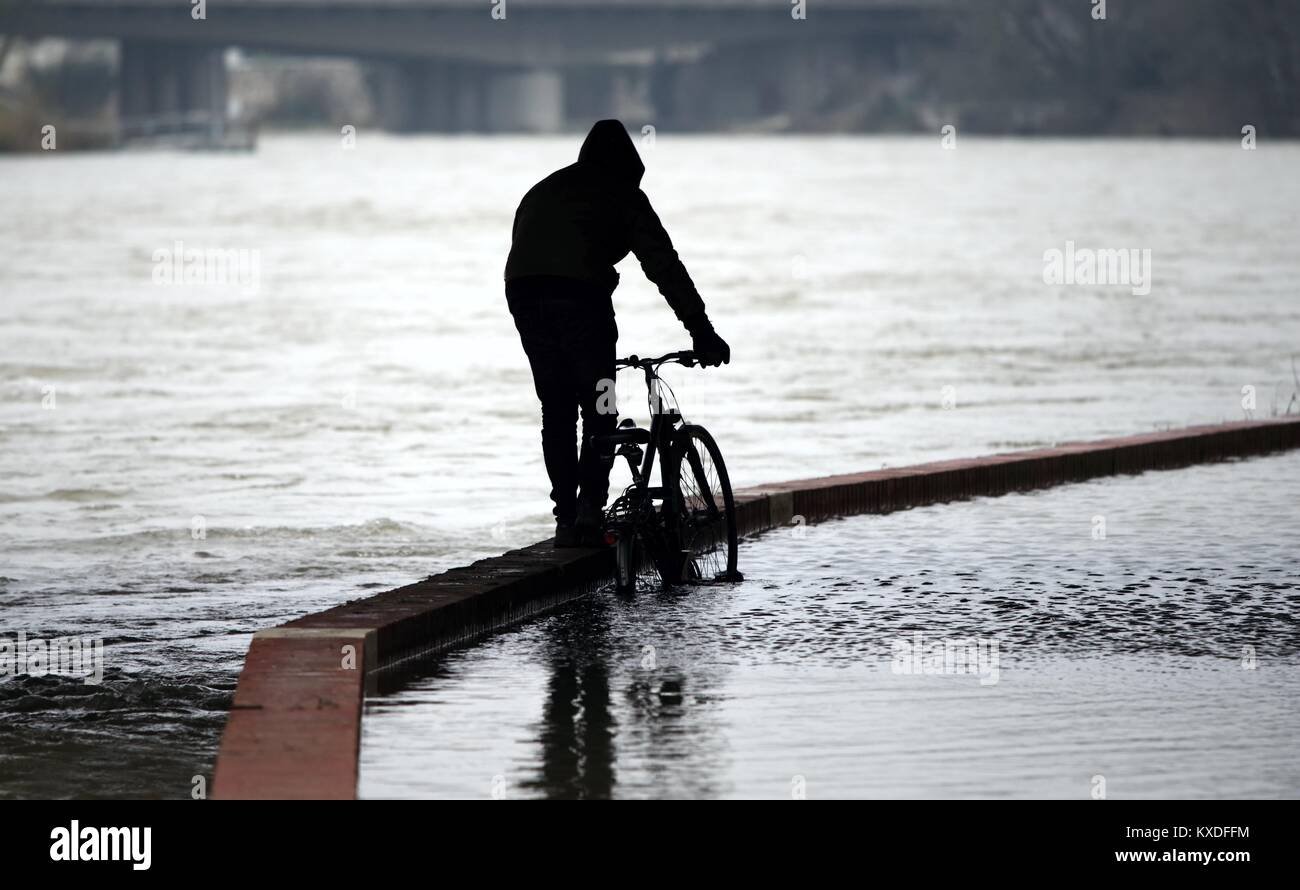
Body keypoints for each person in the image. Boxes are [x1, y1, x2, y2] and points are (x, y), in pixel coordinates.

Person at [505, 119, 730, 548]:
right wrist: (703, 333)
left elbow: (527, 249)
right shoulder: (625, 195)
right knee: (601, 405)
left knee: (556, 409)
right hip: (581, 298)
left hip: (523, 294)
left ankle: (565, 521)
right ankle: (591, 511)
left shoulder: (545, 188)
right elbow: (665, 267)